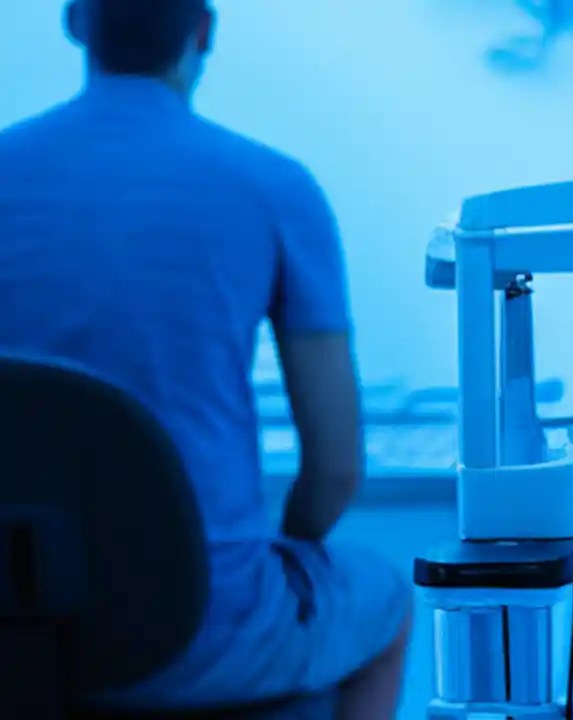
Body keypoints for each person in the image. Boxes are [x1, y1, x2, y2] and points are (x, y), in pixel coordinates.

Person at [0, 1, 412, 717]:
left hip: (14, 625)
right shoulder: (273, 186)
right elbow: (336, 471)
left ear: (74, 24)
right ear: (203, 32)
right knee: (386, 601)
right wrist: (291, 552)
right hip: (201, 635)